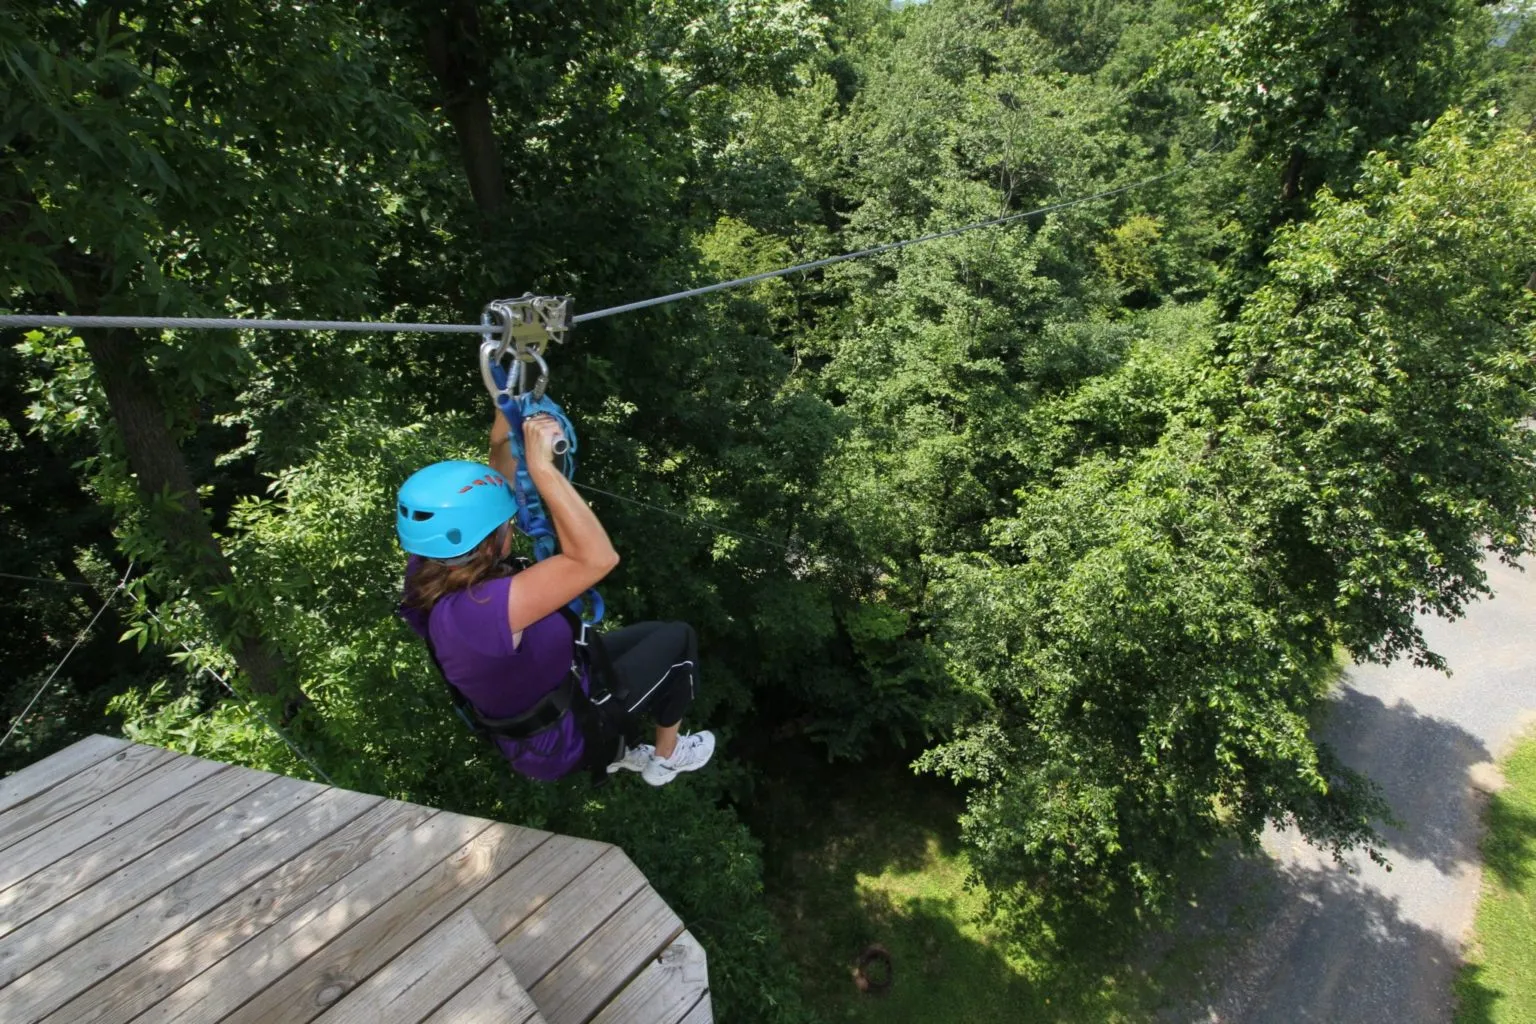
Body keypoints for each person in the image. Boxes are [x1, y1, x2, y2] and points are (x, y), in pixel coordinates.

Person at [395, 409, 715, 786]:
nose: (510, 526)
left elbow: (496, 482)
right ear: (488, 542)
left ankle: (629, 747)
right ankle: (666, 756)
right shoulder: (477, 613)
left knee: (655, 633)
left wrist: (508, 404)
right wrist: (542, 468)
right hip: (566, 737)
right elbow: (596, 558)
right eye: (507, 525)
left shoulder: (428, 570)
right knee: (679, 640)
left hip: (566, 676)